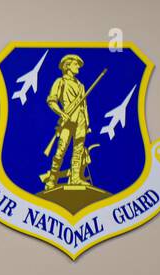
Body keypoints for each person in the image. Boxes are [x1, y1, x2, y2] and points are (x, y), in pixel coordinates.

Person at [43, 54, 91, 190]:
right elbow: (51, 101)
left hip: (80, 120)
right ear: (68, 66)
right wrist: (62, 114)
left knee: (78, 150)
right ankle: (52, 180)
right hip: (67, 120)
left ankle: (76, 178)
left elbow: (84, 105)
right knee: (61, 150)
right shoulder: (60, 82)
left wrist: (87, 123)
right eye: (76, 65)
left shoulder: (81, 86)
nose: (78, 68)